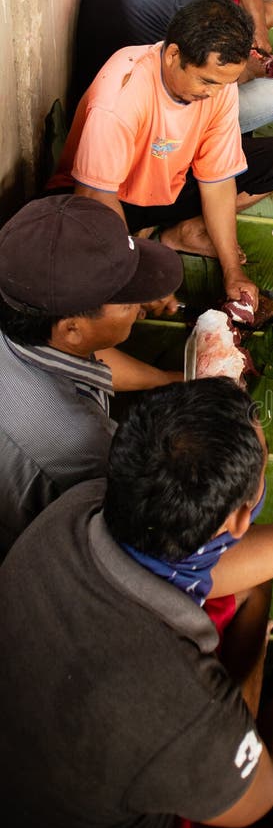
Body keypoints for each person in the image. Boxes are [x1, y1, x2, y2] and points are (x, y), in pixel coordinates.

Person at [0, 376, 273, 828]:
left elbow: (218, 567)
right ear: (239, 521)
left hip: (48, 736)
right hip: (118, 825)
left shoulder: (78, 510)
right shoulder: (172, 701)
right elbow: (263, 790)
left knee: (245, 591)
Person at [51, 0, 273, 309]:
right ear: (172, 55)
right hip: (107, 200)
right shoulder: (122, 96)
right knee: (70, 262)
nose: (213, 93)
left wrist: (232, 272)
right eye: (206, 81)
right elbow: (95, 197)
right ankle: (136, 236)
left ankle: (182, 232)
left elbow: (218, 180)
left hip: (168, 183)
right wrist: (136, 277)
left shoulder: (218, 88)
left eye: (224, 84)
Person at [0, 194, 183, 556]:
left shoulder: (19, 292)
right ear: (71, 329)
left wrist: (166, 380)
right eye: (129, 301)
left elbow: (88, 357)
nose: (142, 306)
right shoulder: (81, 442)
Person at [71, 0, 273, 132]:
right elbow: (216, 73)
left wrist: (259, 33)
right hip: (144, 122)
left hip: (89, 95)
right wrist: (250, 69)